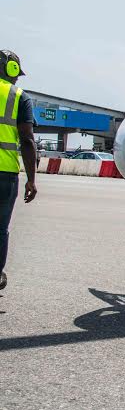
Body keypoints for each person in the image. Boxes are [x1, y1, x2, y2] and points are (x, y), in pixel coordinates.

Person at [0, 50, 38, 293]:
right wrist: (31, 180)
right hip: (4, 175)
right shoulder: (18, 97)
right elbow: (27, 140)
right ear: (11, 70)